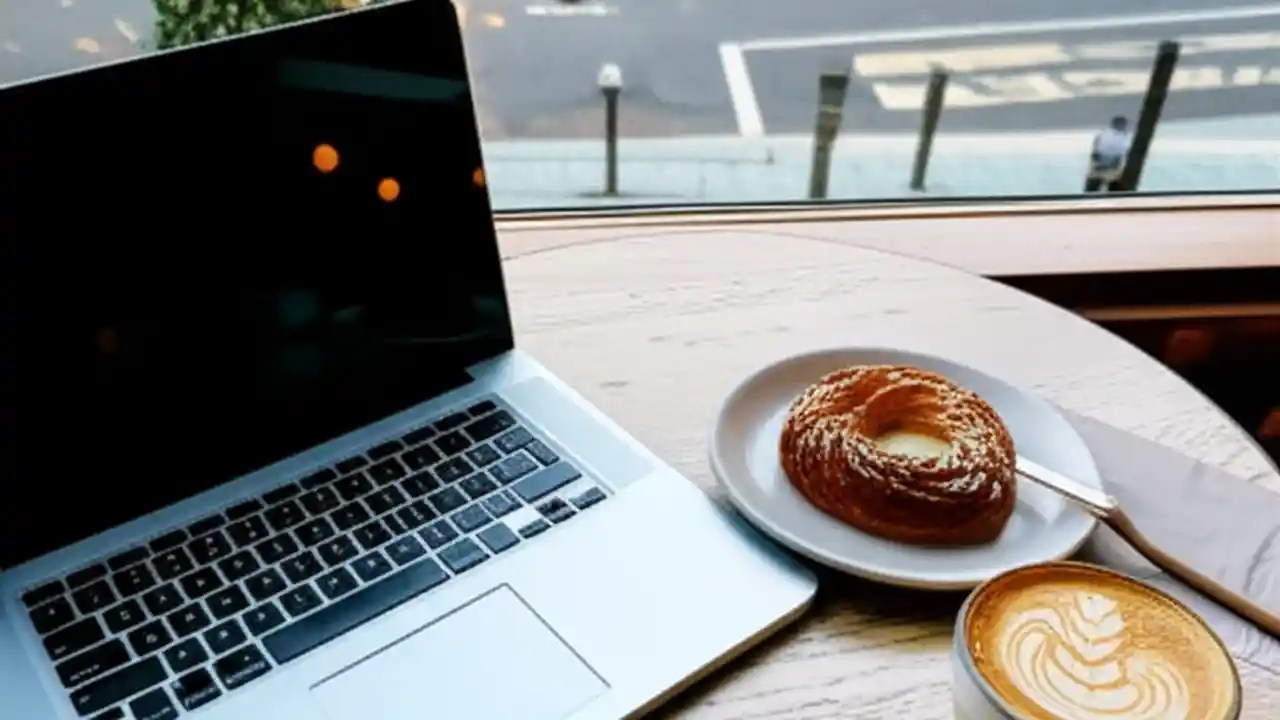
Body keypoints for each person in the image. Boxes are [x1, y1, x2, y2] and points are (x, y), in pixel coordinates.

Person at [1085, 115, 1131, 192]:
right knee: (1115, 191)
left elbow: (1095, 151)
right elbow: (1122, 151)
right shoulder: (1119, 136)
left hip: (1098, 167)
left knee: (1091, 191)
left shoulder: (1103, 134)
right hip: (1110, 168)